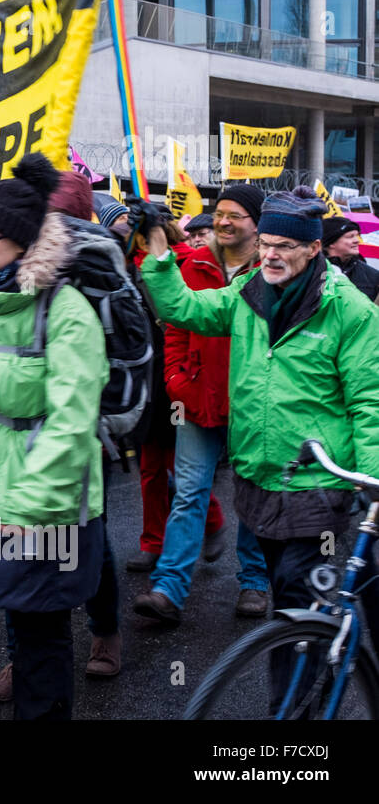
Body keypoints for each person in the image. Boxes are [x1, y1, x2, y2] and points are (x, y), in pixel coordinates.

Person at [137, 187, 379, 700]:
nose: (269, 254)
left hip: (318, 486)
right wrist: (159, 253)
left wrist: (373, 480)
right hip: (258, 479)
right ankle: (318, 674)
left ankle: (289, 719)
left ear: (313, 249)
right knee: (292, 606)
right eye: (266, 242)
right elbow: (183, 308)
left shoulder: (351, 311)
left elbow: (370, 403)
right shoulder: (247, 294)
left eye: (285, 246)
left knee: (296, 605)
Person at [0, 155, 108, 720]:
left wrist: (28, 509)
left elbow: (72, 423)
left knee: (36, 638)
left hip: (37, 505)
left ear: (25, 243)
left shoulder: (68, 311)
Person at [134, 187, 270, 624]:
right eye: (220, 213)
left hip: (253, 407)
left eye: (235, 215)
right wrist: (177, 380)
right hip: (197, 401)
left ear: (256, 223)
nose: (224, 221)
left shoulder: (272, 271)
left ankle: (254, 582)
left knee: (252, 497)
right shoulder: (193, 264)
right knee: (189, 493)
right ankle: (169, 589)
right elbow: (175, 324)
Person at [322, 215, 379, 302]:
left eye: (357, 235)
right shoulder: (310, 269)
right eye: (350, 236)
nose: (357, 240)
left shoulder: (372, 275)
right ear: (331, 243)